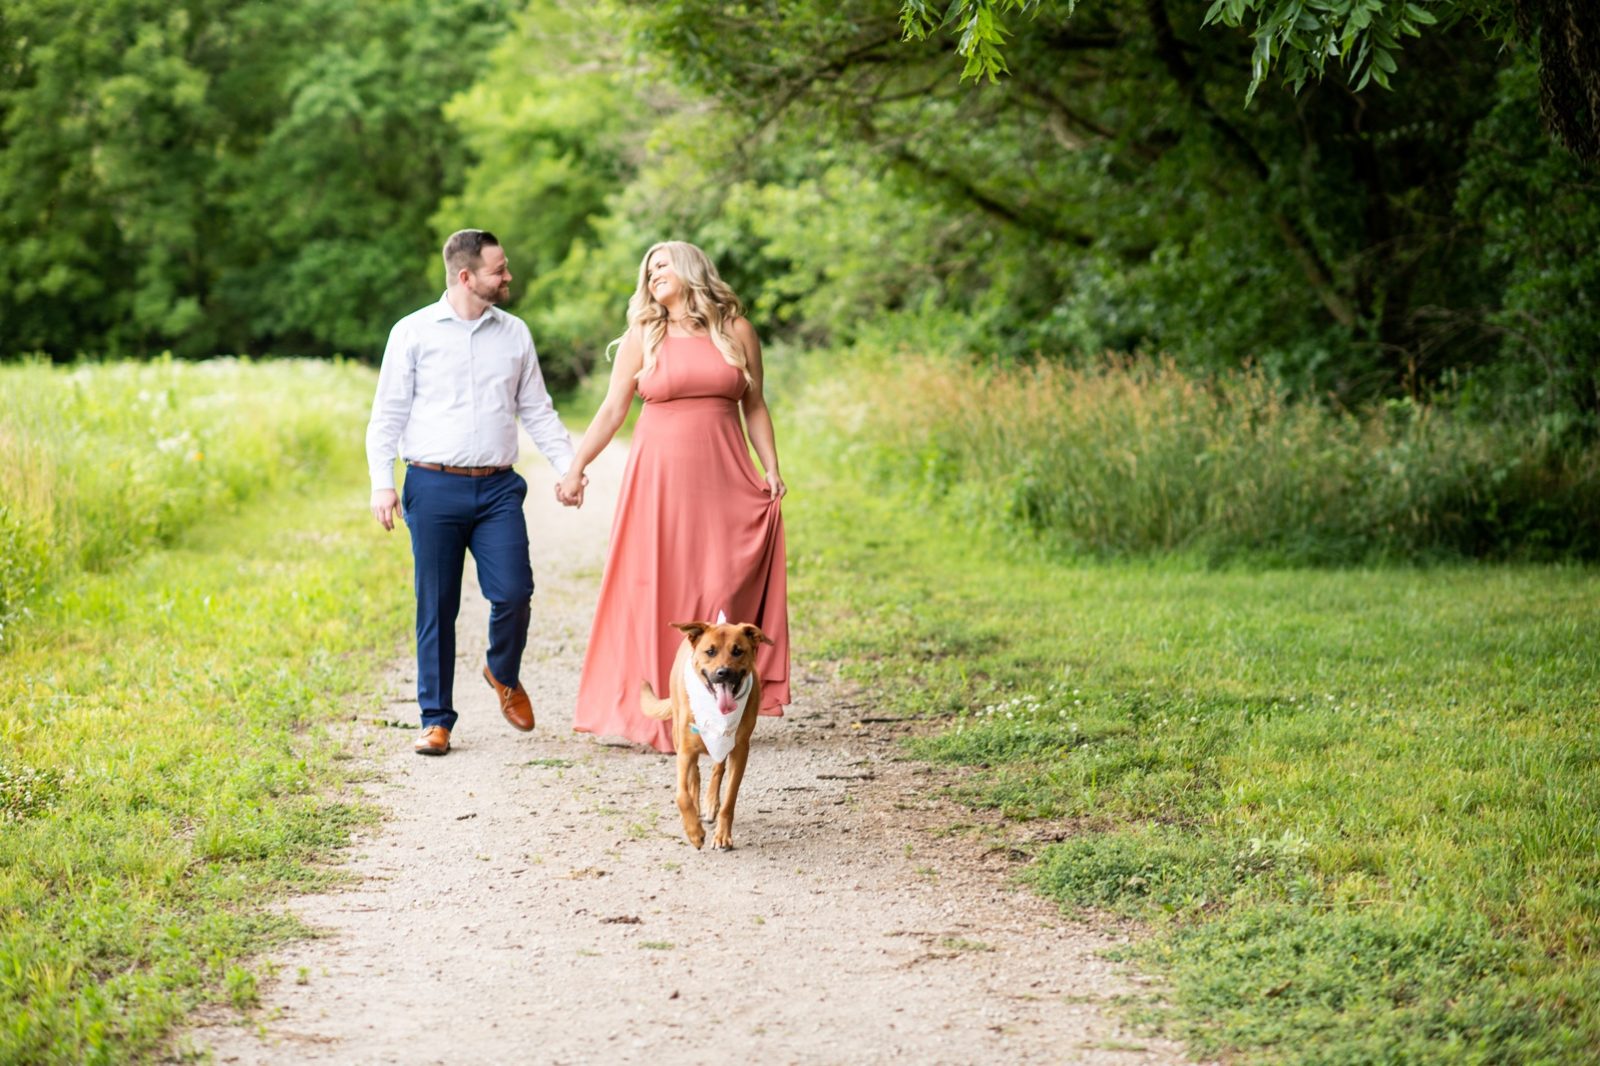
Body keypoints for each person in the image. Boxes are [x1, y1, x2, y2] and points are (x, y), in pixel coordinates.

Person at [560, 240, 790, 752]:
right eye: (648, 269)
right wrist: (577, 467)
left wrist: (771, 467)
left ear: (690, 268)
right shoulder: (646, 333)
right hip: (659, 481)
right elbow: (613, 408)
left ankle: (720, 712)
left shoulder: (736, 331)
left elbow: (755, 406)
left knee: (724, 586)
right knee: (658, 586)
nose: (652, 274)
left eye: (661, 264)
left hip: (727, 477)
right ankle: (660, 715)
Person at [366, 229, 576, 756]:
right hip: (432, 486)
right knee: (436, 606)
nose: (508, 277)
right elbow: (386, 414)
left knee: (513, 592)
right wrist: (382, 483)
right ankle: (436, 720)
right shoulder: (412, 333)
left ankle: (501, 670)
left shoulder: (515, 333)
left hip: (499, 489)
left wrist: (568, 465)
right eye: (498, 270)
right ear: (466, 276)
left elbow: (537, 409)